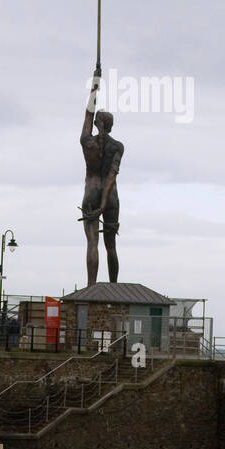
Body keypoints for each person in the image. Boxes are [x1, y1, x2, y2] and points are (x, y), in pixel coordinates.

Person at [80, 64, 124, 284]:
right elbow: (111, 178)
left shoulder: (87, 142)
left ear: (97, 123)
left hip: (91, 191)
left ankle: (91, 287)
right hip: (111, 196)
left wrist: (95, 85)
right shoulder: (117, 146)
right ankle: (113, 289)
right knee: (111, 246)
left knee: (92, 243)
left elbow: (88, 112)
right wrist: (105, 204)